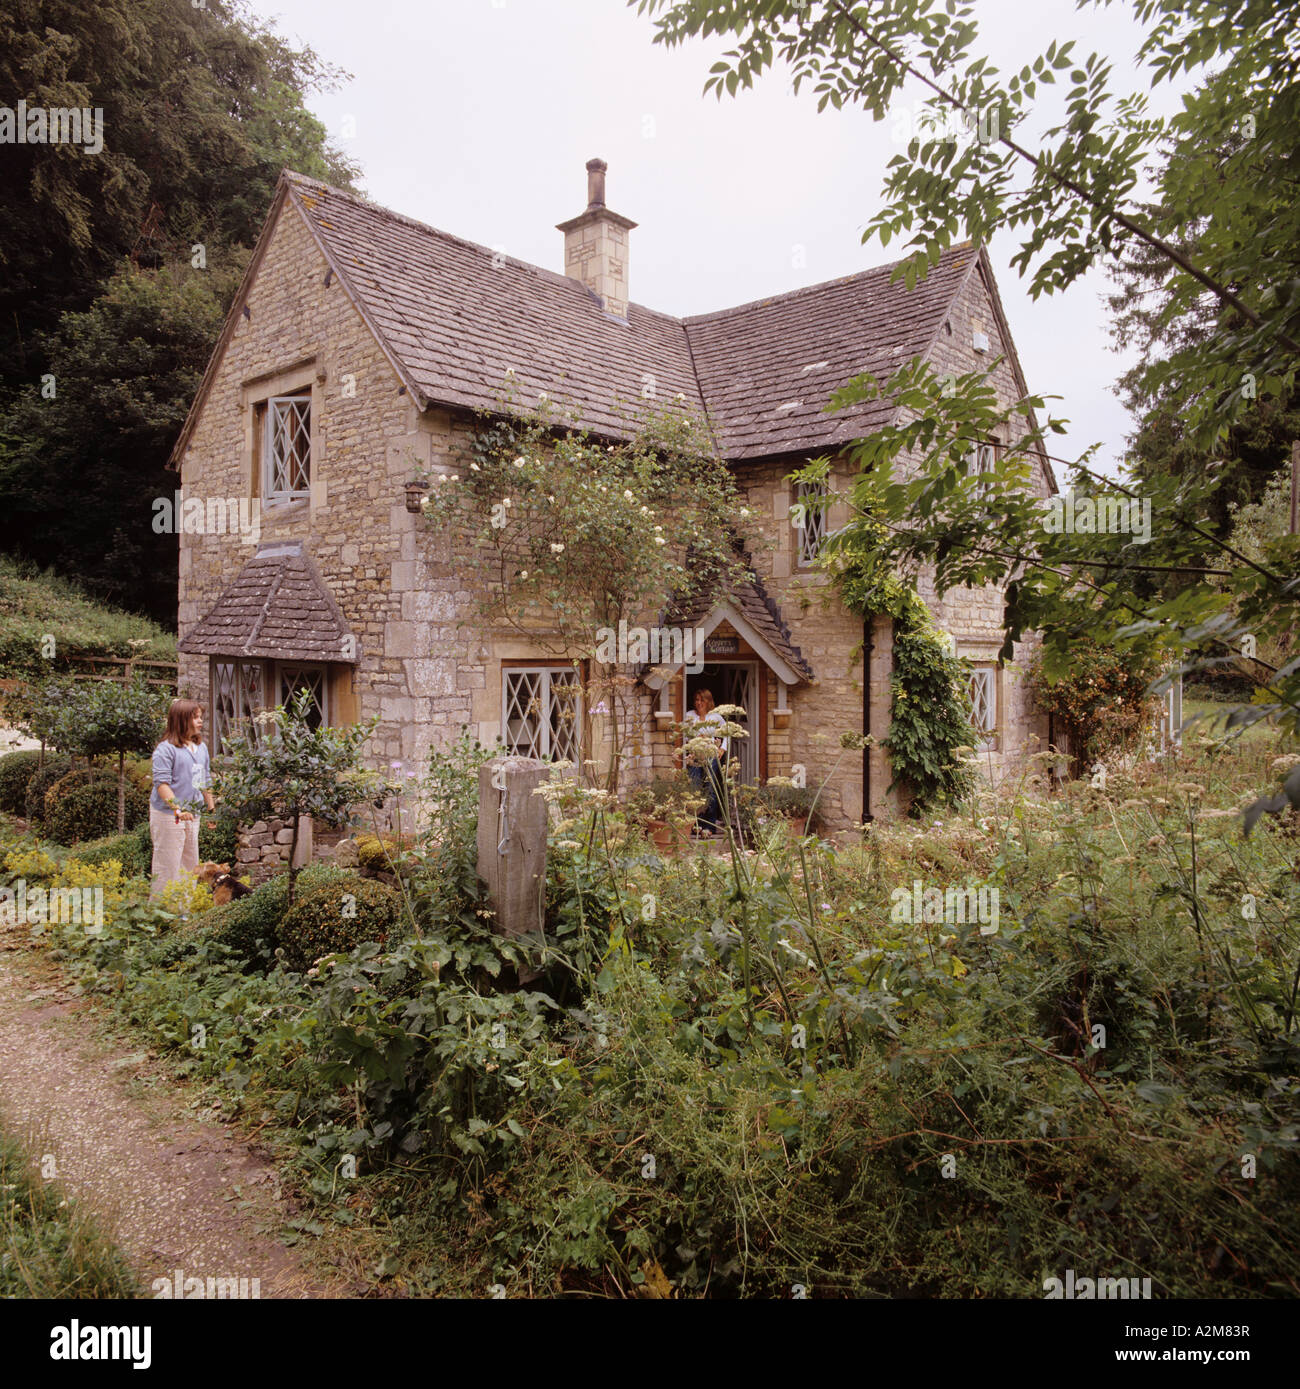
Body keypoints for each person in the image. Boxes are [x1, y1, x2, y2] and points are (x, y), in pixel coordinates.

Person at [150, 698, 215, 897]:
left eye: (200, 717)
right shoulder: (166, 749)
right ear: (180, 720)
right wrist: (178, 809)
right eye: (195, 717)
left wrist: (211, 809)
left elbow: (203, 779)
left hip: (193, 814)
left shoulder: (201, 748)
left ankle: (184, 912)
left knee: (190, 863)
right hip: (169, 815)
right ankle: (162, 912)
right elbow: (162, 784)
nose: (200, 721)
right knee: (168, 865)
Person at [682, 688, 729, 835]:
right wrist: (690, 745)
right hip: (695, 755)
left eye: (702, 700)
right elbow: (683, 734)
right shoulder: (689, 715)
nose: (699, 703)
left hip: (710, 756)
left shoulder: (715, 717)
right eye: (696, 700)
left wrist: (722, 748)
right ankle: (697, 824)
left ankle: (710, 825)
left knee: (710, 788)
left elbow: (727, 733)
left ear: (708, 701)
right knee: (695, 788)